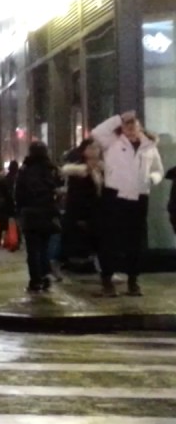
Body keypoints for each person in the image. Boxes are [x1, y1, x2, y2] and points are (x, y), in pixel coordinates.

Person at [91, 111, 164, 296]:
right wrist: (118, 117)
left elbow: (158, 169)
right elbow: (97, 132)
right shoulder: (112, 143)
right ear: (121, 128)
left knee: (135, 240)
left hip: (139, 196)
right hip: (115, 194)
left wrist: (151, 179)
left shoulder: (149, 147)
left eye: (133, 125)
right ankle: (107, 280)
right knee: (110, 240)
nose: (131, 129)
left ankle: (133, 280)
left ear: (139, 127)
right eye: (126, 126)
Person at [14, 142, 63, 293]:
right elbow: (59, 187)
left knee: (32, 249)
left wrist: (19, 210)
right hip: (47, 212)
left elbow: (19, 193)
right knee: (44, 247)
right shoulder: (51, 169)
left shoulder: (25, 170)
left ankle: (35, 280)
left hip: (30, 214)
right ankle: (45, 276)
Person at [63, 141, 104, 274]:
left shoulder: (104, 169)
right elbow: (75, 196)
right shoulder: (79, 171)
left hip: (102, 211)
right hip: (85, 212)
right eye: (91, 148)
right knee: (86, 241)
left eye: (96, 148)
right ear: (84, 151)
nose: (94, 151)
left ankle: (103, 269)